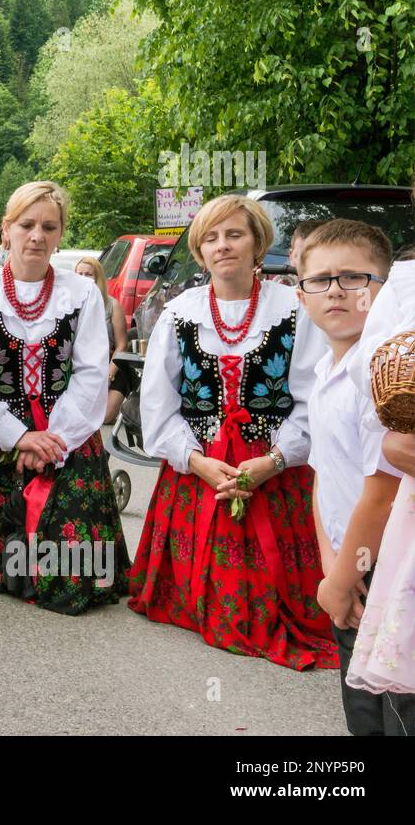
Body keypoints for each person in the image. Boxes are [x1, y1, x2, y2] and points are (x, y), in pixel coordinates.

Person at [128, 194, 336, 669]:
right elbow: (160, 406)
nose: (223, 246)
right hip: (198, 473)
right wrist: (198, 462)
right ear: (200, 250)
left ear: (257, 242)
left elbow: (312, 399)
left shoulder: (295, 308)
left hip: (276, 474)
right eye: (211, 237)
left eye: (235, 234)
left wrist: (274, 460)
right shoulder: (180, 313)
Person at [0, 183, 130, 614]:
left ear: (60, 233)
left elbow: (90, 373)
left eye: (49, 227)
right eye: (27, 225)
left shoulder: (83, 293)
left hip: (66, 436)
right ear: (7, 230)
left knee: (77, 576)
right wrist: (17, 436)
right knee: (18, 561)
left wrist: (54, 438)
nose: (37, 235)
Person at [294, 220, 412, 733]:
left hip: (389, 567)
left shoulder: (380, 371)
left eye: (354, 277)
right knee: (361, 714)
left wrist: (342, 577)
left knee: (395, 712)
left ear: (384, 289)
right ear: (301, 294)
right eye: (319, 279)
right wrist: (332, 567)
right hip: (349, 566)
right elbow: (322, 474)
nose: (335, 289)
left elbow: (383, 490)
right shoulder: (324, 370)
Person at [76, 256, 131, 424]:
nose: (84, 278)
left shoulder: (112, 305)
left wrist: (108, 374)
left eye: (88, 274)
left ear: (97, 277)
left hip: (109, 365)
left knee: (104, 418)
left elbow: (122, 345)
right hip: (79, 365)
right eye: (80, 274)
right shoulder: (68, 304)